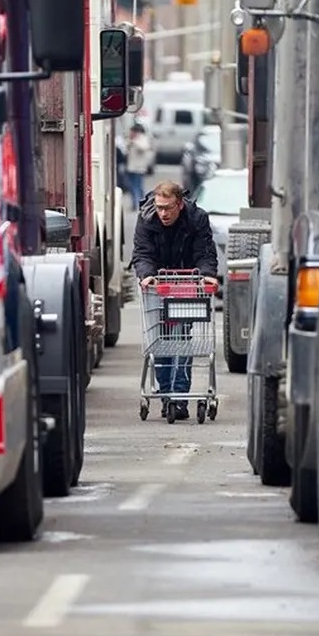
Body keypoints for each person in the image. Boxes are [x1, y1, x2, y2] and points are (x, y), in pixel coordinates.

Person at [131, 180, 219, 419]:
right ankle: (166, 395)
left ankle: (179, 398)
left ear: (180, 204)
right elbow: (142, 252)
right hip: (157, 287)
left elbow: (205, 252)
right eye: (159, 207)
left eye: (168, 208)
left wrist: (207, 275)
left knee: (181, 337)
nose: (163, 213)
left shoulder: (197, 219)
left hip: (185, 287)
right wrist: (146, 275)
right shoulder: (146, 219)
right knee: (160, 342)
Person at [123, 124, 154, 205]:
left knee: (137, 186)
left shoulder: (142, 139)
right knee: (132, 186)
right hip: (131, 167)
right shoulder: (130, 139)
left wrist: (134, 142)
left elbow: (144, 147)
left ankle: (140, 202)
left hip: (139, 168)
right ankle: (136, 202)